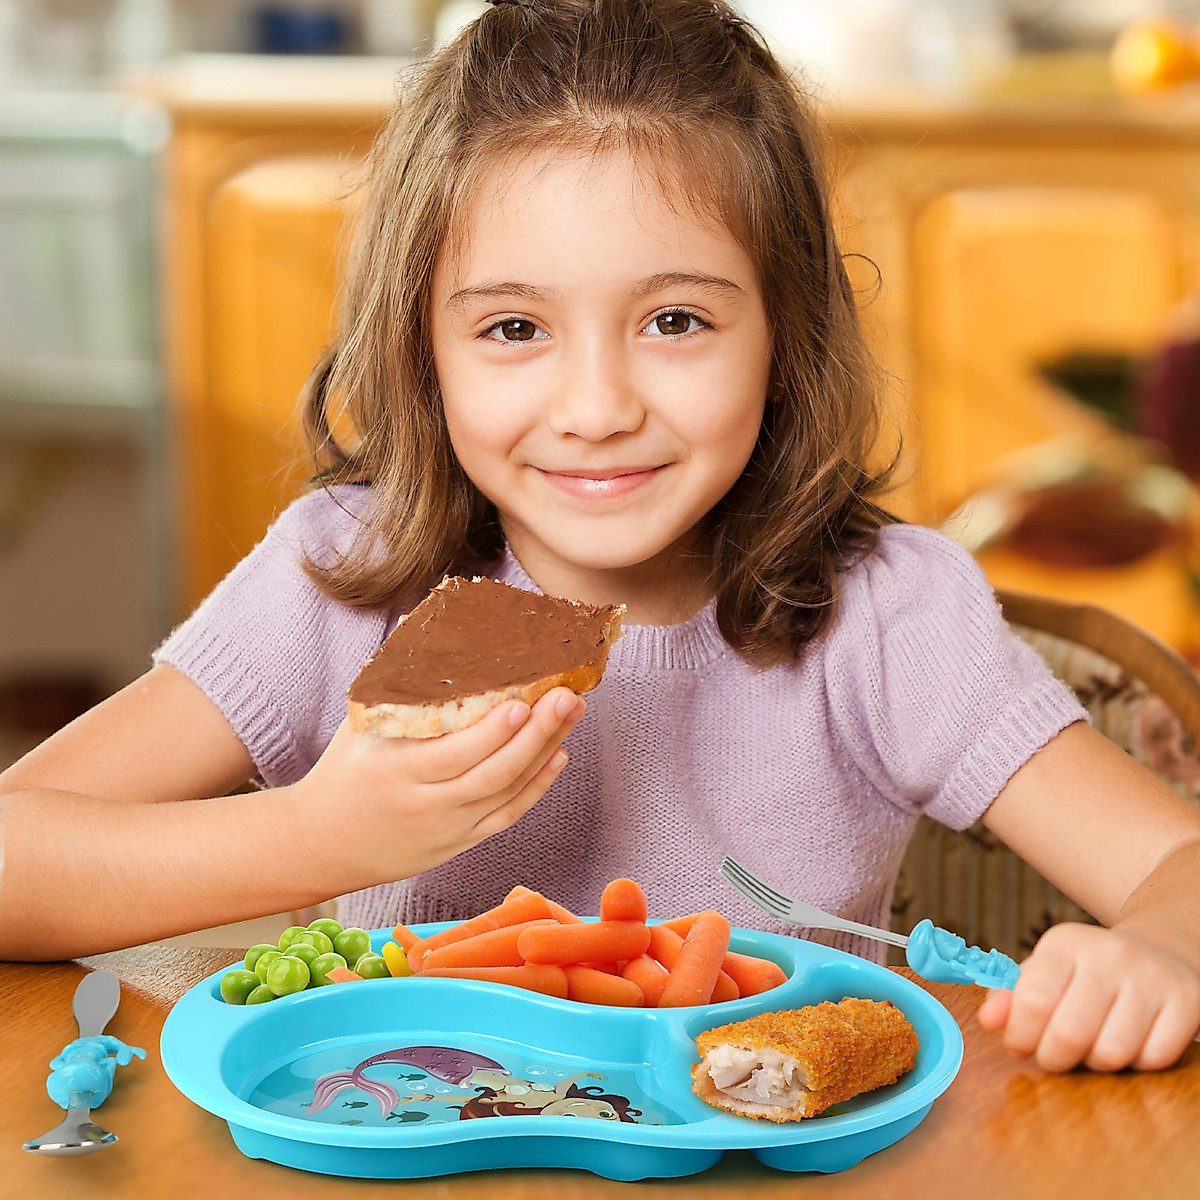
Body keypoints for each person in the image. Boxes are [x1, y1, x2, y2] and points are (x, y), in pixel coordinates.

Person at [2, 0, 1198, 1075]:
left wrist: (1153, 953)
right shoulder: (348, 577)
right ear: (422, 346)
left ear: (787, 331)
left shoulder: (881, 612)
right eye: (514, 327)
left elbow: (1177, 871)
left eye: (675, 320)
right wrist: (320, 834)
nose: (595, 407)